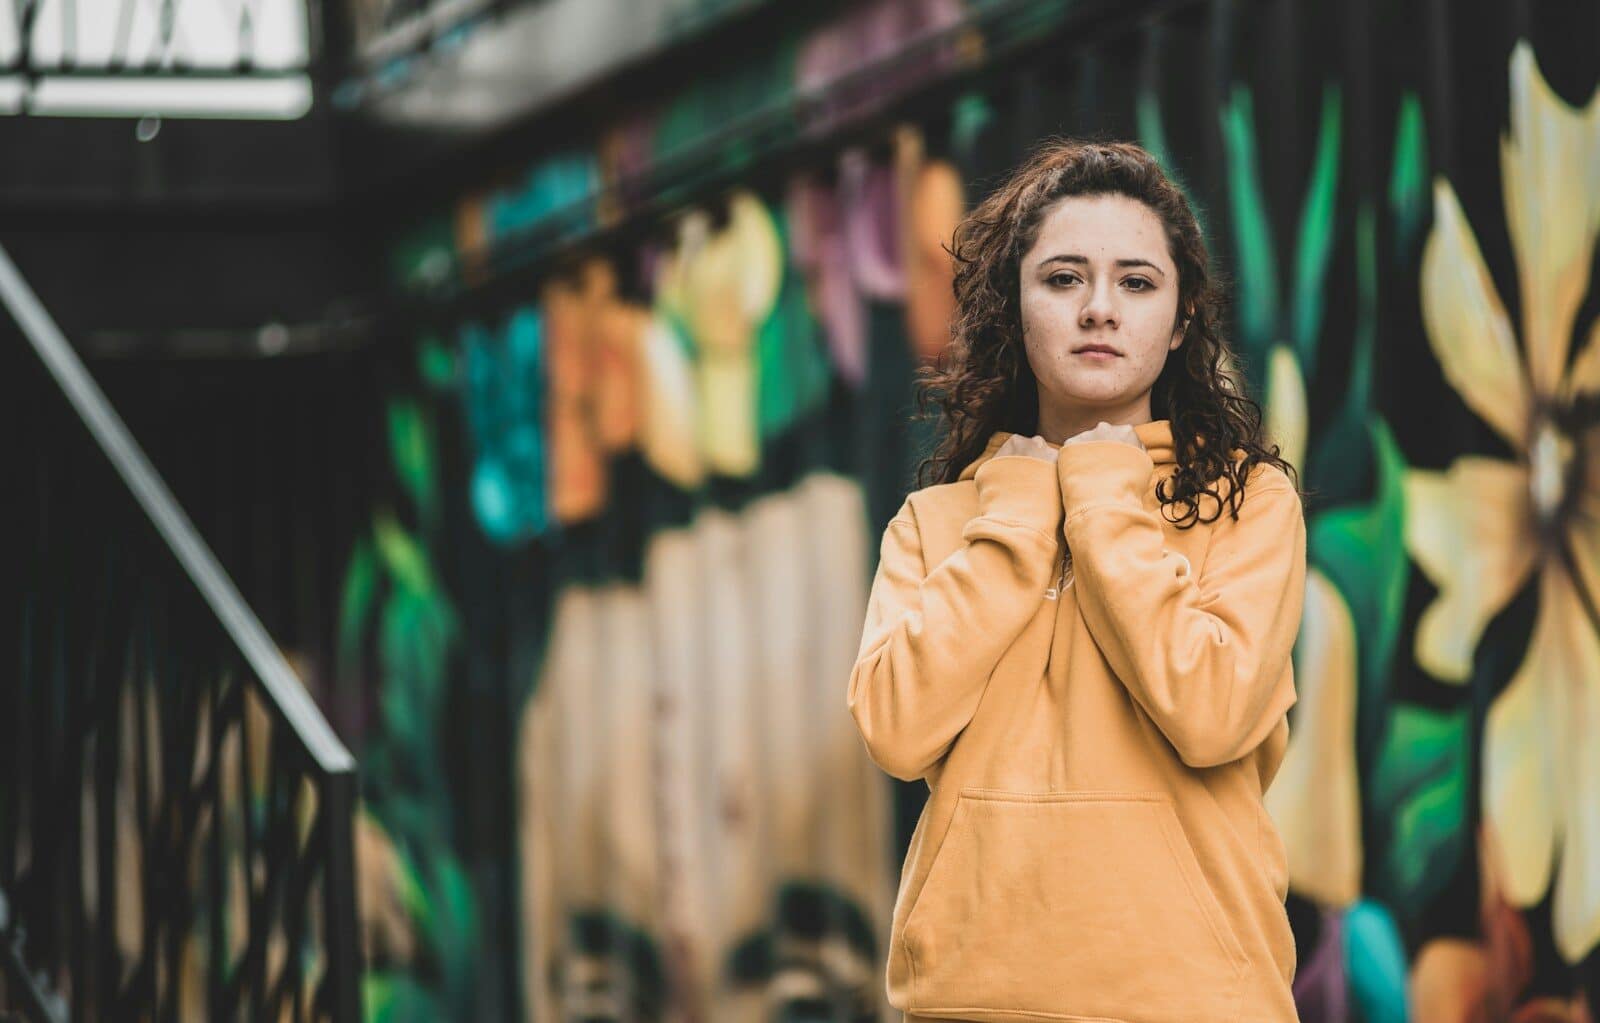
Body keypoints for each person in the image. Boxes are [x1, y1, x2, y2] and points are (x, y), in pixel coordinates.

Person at [846, 138, 1308, 1022]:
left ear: (1179, 322)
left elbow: (1210, 711)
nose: (1099, 308)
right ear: (1015, 308)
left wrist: (1103, 495)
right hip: (971, 998)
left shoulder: (1247, 502)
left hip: (1196, 998)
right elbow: (896, 731)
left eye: (1136, 282)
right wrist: (1017, 518)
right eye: (1062, 279)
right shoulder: (938, 522)